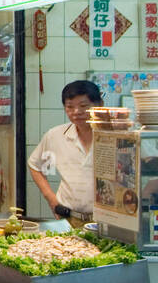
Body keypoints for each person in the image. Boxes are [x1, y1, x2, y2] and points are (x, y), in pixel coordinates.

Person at [28, 80, 103, 228]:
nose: (76, 112)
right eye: (70, 107)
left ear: (99, 104)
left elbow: (155, 169)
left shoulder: (115, 136)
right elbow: (36, 166)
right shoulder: (56, 136)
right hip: (68, 219)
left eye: (83, 106)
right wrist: (52, 200)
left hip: (107, 221)